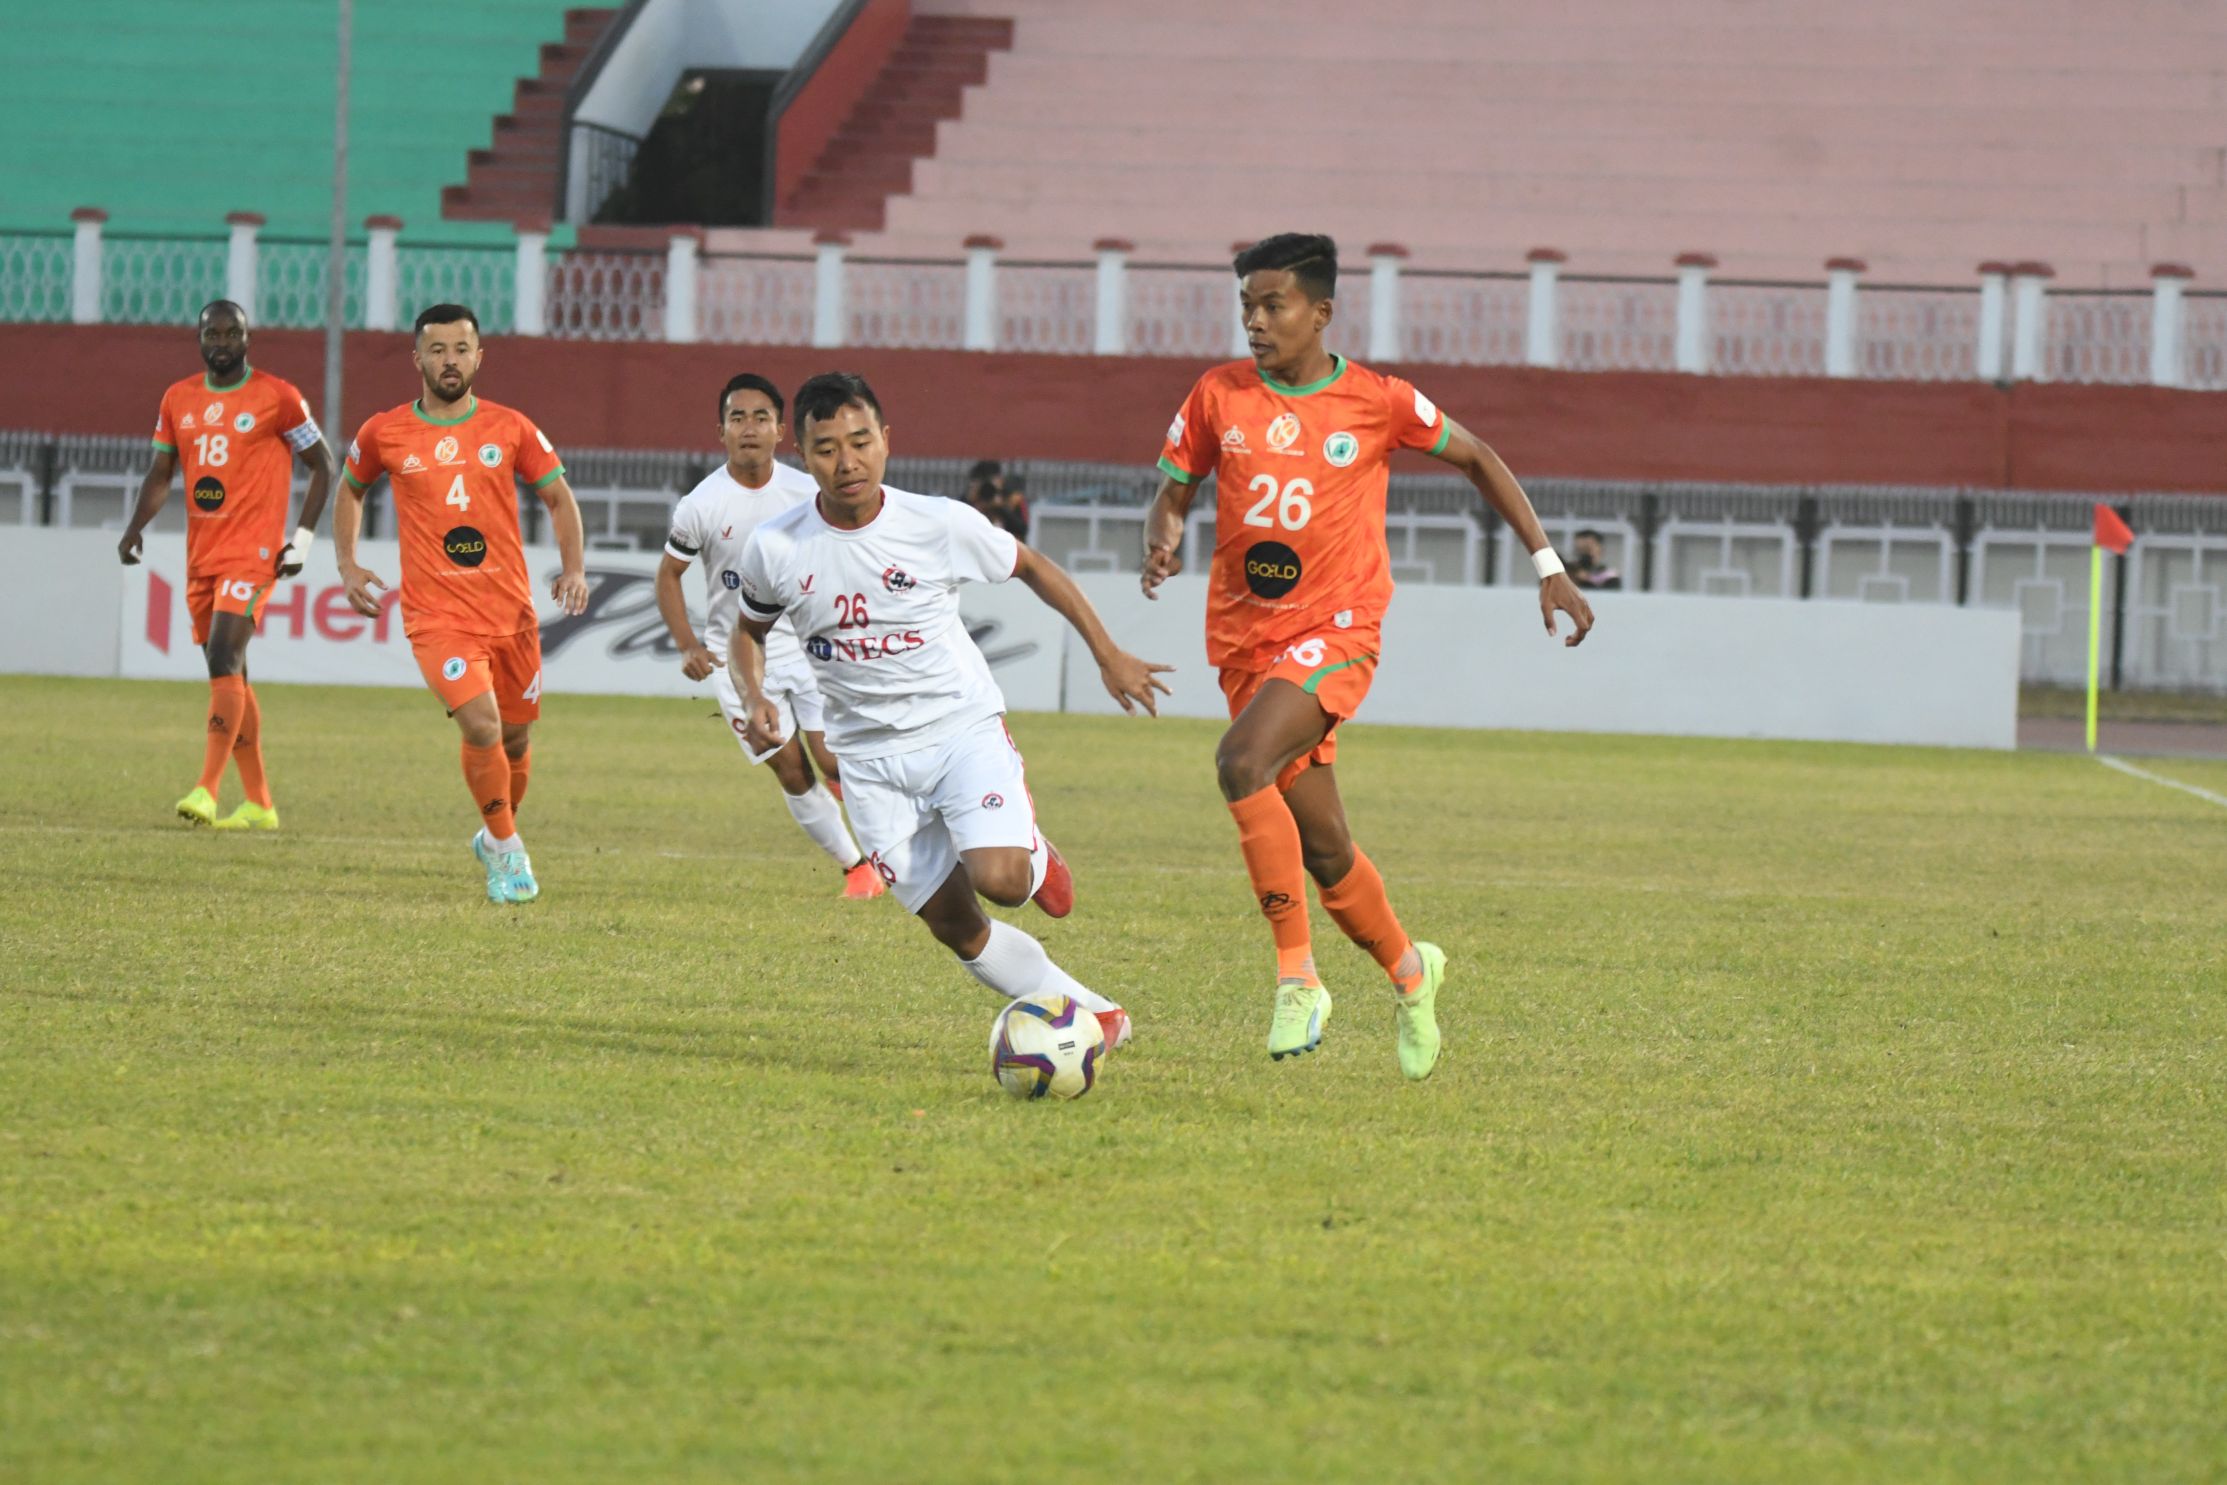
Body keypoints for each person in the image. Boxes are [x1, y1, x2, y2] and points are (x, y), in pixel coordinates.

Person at [1141, 233, 1595, 1080]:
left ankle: (1296, 977)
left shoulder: (1376, 401)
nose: (1255, 321)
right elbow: (1174, 488)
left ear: (1320, 312)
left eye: (1272, 305)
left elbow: (1478, 457)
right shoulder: (1216, 396)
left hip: (1338, 628)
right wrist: (1161, 538)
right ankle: (1411, 970)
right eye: (1246, 306)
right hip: (1244, 642)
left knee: (1239, 762)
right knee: (1324, 848)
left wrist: (1549, 567)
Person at [730, 373, 1170, 1050]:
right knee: (955, 926)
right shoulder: (776, 546)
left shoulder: (935, 522)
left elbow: (1032, 566)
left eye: (860, 441)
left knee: (1001, 880)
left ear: (885, 441)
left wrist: (1107, 652)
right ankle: (1097, 1014)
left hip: (958, 733)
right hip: (869, 764)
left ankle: (1033, 853)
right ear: (802, 454)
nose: (846, 461)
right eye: (825, 448)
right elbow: (748, 632)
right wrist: (756, 693)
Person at [332, 303, 590, 905]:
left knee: (516, 742)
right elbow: (350, 488)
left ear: (480, 357)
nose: (450, 360)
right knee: (482, 724)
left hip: (511, 617)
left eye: (461, 349)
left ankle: (495, 832)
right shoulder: (384, 431)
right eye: (438, 349)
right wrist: (346, 562)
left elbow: (559, 498)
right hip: (438, 620)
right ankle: (508, 853)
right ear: (417, 358)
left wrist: (574, 567)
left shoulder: (511, 427)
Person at [654, 373, 882, 901]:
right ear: (721, 431)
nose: (749, 427)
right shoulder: (701, 504)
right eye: (738, 417)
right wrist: (689, 643)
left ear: (782, 430)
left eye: (761, 417)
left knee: (831, 758)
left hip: (810, 645)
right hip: (741, 653)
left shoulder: (807, 490)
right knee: (789, 764)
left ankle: (897, 840)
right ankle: (857, 868)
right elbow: (668, 575)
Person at [118, 299, 335, 830]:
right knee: (231, 672)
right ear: (199, 339)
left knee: (222, 654)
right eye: (210, 334)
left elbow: (325, 464)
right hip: (203, 555)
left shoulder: (278, 397)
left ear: (247, 339)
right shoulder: (178, 398)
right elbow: (160, 471)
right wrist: (133, 528)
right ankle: (260, 803)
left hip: (254, 552)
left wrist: (302, 541)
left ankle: (207, 790)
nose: (220, 342)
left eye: (230, 333)